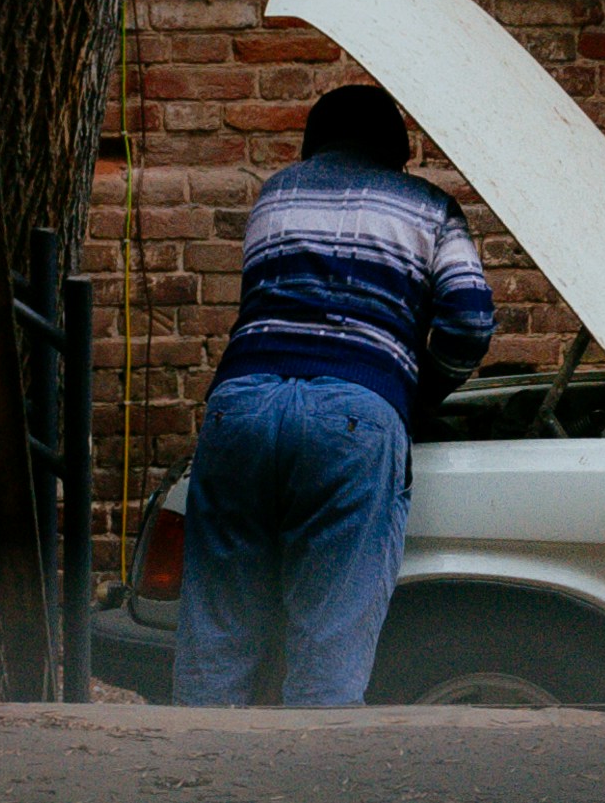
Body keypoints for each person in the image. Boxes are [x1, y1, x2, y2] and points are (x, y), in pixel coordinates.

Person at [172, 82, 495, 706]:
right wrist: (416, 394)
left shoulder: (277, 194)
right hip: (352, 414)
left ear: (313, 142)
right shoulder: (430, 207)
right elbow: (470, 321)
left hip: (241, 407)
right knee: (327, 658)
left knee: (216, 648)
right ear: (398, 150)